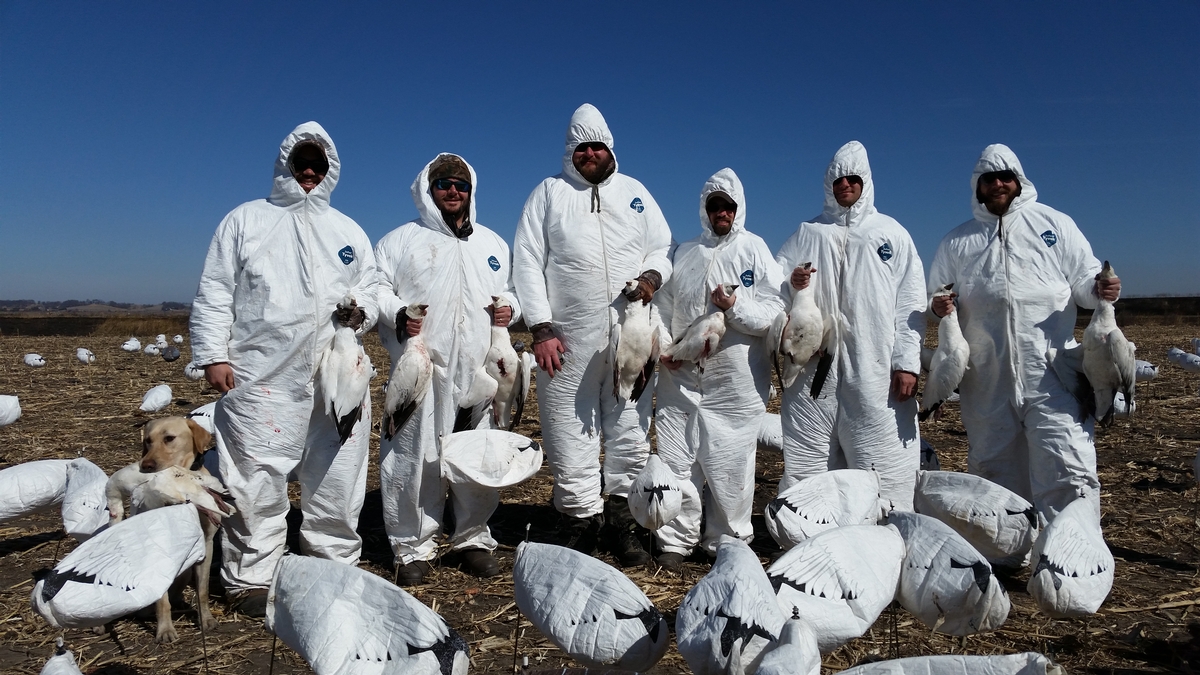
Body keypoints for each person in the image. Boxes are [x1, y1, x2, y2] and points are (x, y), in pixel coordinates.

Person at [190, 122, 381, 616]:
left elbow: (373, 288)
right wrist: (213, 354)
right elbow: (215, 290)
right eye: (303, 164)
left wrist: (362, 310)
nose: (311, 174)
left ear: (331, 170)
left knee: (337, 472)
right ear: (287, 166)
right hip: (262, 375)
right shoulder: (246, 221)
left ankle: (330, 560)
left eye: (319, 166)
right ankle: (252, 574)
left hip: (338, 373)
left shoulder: (349, 231)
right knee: (256, 473)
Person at [512, 103, 673, 567]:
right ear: (569, 152)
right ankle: (581, 523)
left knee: (629, 428)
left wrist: (650, 278)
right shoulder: (548, 194)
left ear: (610, 148)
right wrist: (540, 326)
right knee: (568, 429)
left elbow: (664, 246)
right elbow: (526, 259)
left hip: (631, 339)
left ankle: (623, 521)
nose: (589, 154)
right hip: (568, 340)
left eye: (596, 146)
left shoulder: (635, 193)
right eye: (580, 147)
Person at [927, 144, 1119, 523]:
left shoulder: (1054, 224)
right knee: (993, 465)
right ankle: (1006, 552)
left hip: (1053, 373)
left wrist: (1099, 288)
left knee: (1066, 462)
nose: (998, 184)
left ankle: (1070, 562)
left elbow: (1084, 279)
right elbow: (936, 294)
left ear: (1019, 180)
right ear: (977, 187)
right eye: (989, 179)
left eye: (1005, 177)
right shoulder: (957, 241)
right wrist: (938, 305)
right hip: (986, 376)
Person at [374, 154, 521, 584]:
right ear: (427, 189)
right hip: (422, 366)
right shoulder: (401, 240)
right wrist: (398, 311)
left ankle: (472, 537)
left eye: (460, 184)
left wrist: (512, 307)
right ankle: (411, 545)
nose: (452, 190)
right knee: (412, 454)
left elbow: (510, 291)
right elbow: (375, 287)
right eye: (442, 184)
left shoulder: (492, 244)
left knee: (478, 452)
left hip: (479, 368)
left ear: (471, 190)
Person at [774, 140, 926, 513]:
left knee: (882, 464)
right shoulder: (807, 233)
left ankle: (890, 537)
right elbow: (772, 287)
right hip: (814, 371)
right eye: (838, 180)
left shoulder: (890, 233)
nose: (845, 185)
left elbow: (911, 303)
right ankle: (810, 540)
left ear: (865, 182)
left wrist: (906, 363)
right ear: (829, 185)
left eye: (852, 179)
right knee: (808, 465)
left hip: (873, 372)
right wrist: (791, 282)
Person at [652, 168, 786, 570]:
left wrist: (734, 308)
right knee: (679, 458)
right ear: (705, 209)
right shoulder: (685, 252)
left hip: (736, 378)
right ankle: (675, 539)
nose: (721, 212)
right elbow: (662, 306)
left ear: (738, 208)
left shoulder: (756, 250)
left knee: (730, 462)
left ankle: (726, 542)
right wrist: (664, 347)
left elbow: (774, 314)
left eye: (728, 206)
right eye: (714, 205)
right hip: (680, 375)